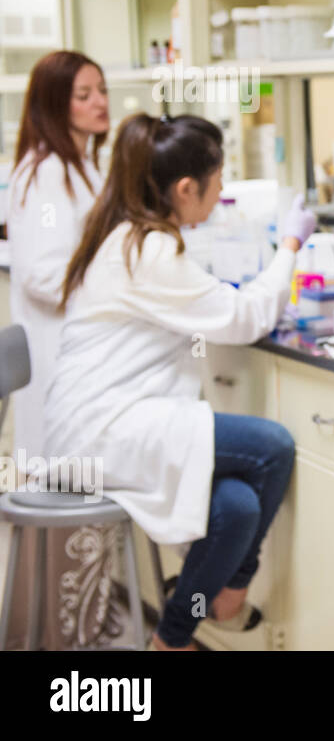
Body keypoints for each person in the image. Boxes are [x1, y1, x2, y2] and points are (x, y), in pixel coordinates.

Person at [43, 113, 318, 651]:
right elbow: (244, 318)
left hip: (105, 420)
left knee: (236, 508)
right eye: (218, 181)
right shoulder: (149, 249)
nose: (221, 192)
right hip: (107, 428)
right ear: (186, 188)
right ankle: (225, 598)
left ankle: (170, 636)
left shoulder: (128, 234)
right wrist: (289, 245)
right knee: (272, 447)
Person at [5, 50, 114, 649]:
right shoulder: (45, 172)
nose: (100, 101)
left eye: (101, 89)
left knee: (83, 508)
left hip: (83, 359)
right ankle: (61, 640)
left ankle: (80, 632)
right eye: (84, 94)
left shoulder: (82, 166)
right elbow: (44, 277)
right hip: (61, 362)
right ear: (54, 104)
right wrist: (114, 282)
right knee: (68, 499)